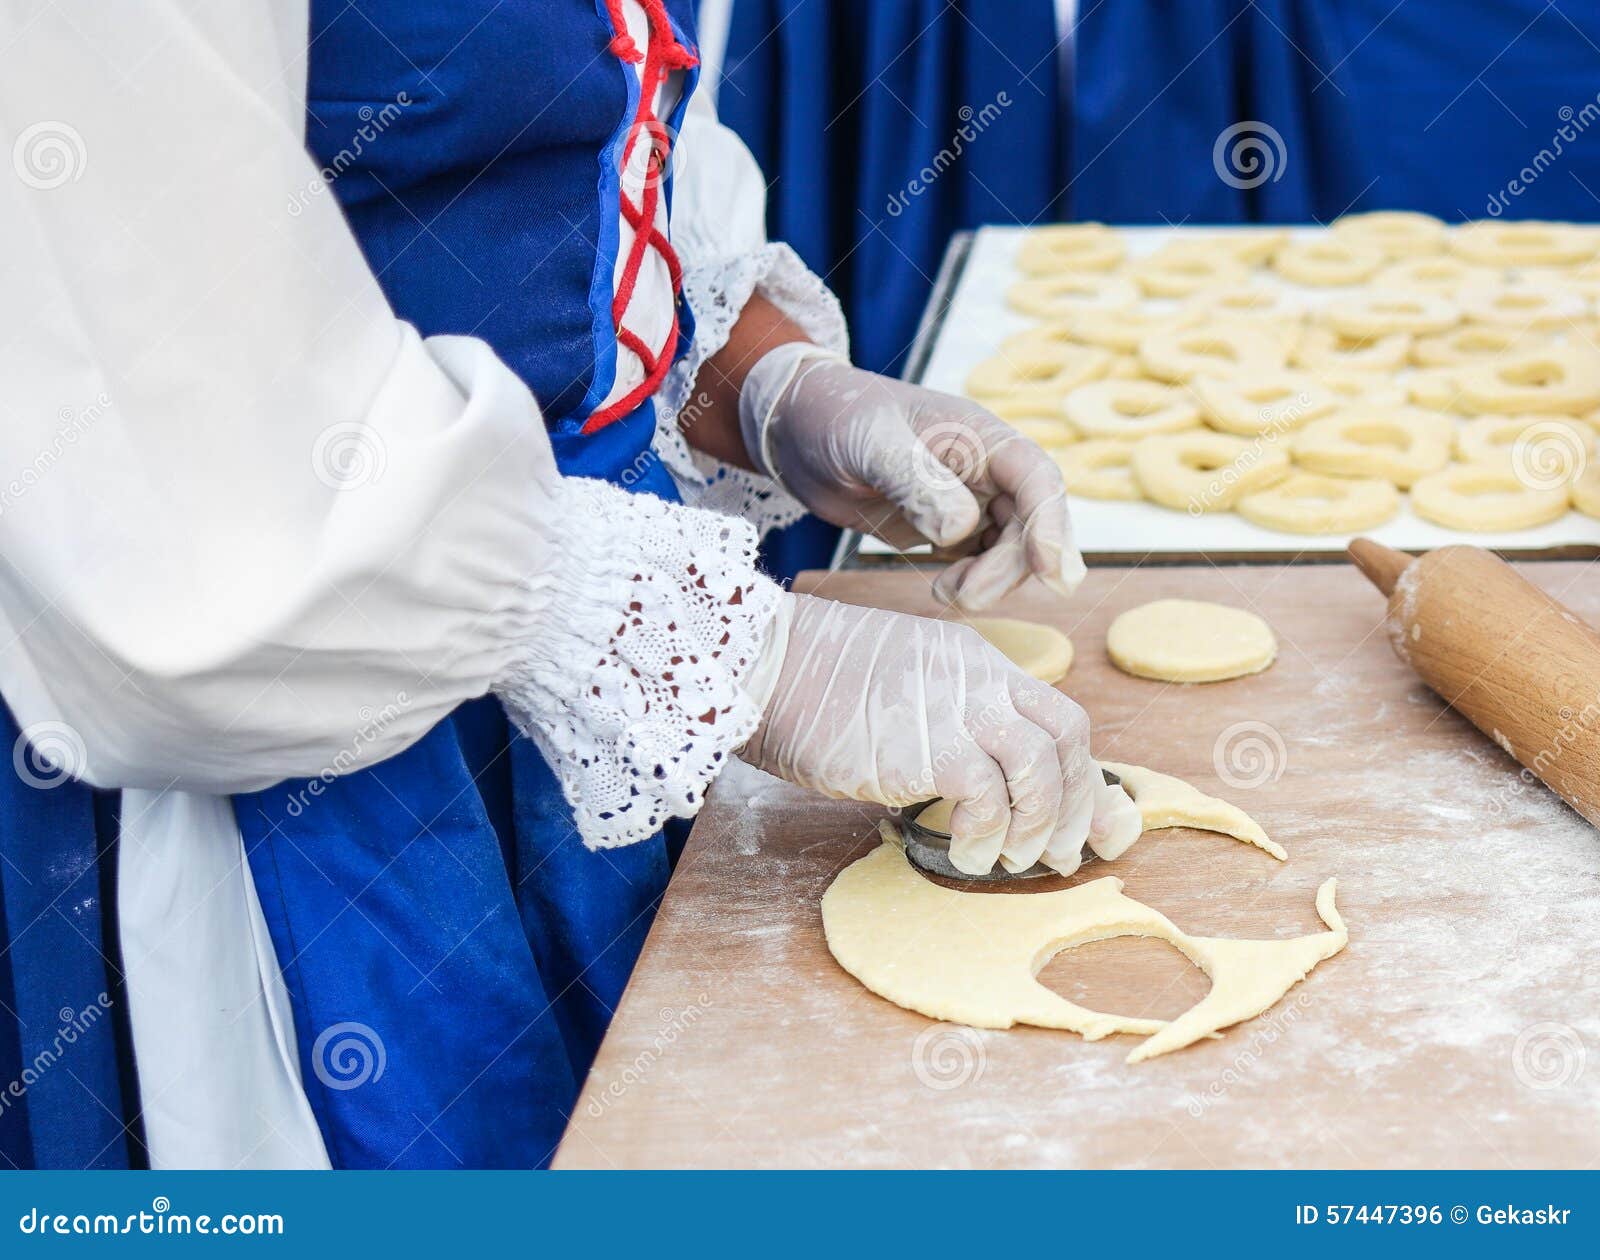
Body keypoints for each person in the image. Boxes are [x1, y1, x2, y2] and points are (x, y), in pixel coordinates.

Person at [0, 0, 1137, 1169]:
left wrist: (759, 385)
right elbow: (160, 426)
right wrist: (740, 656)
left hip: (587, 742)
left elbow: (592, 159)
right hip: (299, 751)